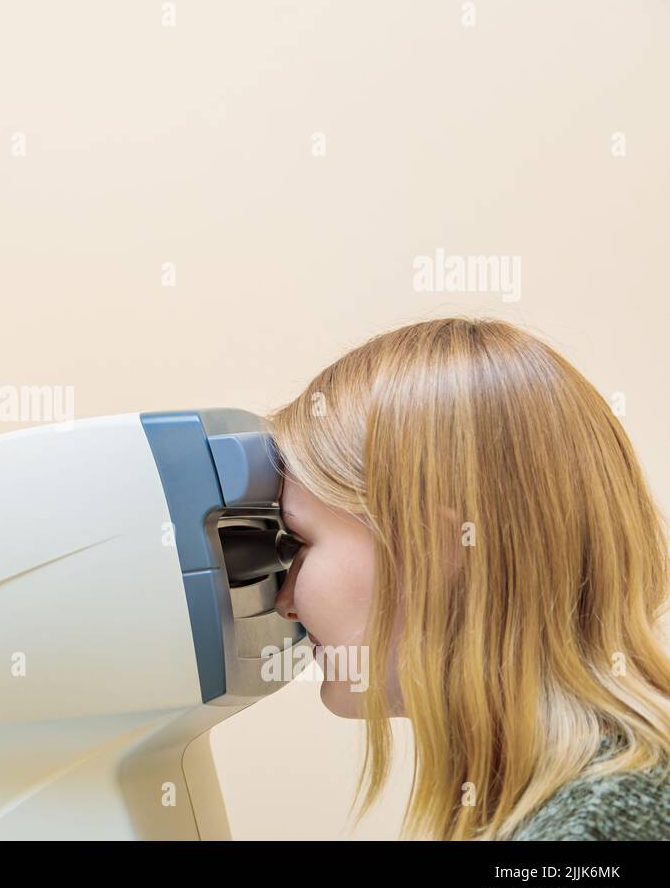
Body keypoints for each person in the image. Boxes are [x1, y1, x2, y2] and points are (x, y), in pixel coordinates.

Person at [269, 317, 670, 840]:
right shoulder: (611, 798)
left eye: (299, 543)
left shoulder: (594, 833)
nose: (284, 604)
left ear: (431, 548)